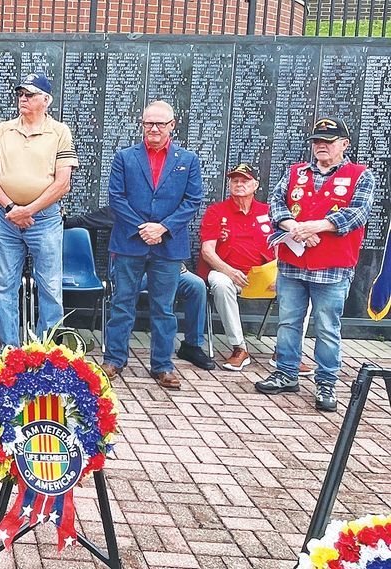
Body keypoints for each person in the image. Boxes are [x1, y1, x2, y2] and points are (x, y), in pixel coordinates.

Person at [256, 117, 375, 411]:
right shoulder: (295, 172)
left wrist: (315, 227)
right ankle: (285, 372)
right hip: (293, 264)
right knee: (288, 322)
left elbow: (357, 214)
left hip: (332, 269)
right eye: (317, 142)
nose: (321, 146)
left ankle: (326, 383)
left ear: (344, 145)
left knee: (326, 327)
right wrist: (294, 227)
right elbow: (276, 205)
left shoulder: (361, 175)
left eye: (329, 141)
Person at [102, 100, 203, 390]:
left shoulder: (188, 160)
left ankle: (162, 365)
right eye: (149, 123)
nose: (154, 128)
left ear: (173, 125)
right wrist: (142, 228)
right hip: (129, 243)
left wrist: (163, 227)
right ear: (142, 125)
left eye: (160, 123)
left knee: (164, 308)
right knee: (122, 304)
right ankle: (114, 360)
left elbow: (192, 201)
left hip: (168, 245)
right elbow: (116, 197)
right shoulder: (124, 157)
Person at [0, 72, 77, 348]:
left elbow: (63, 184)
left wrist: (29, 210)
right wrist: (12, 208)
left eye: (30, 94)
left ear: (46, 100)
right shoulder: (3, 129)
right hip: (7, 219)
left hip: (45, 220)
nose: (23, 99)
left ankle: (46, 352)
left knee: (50, 288)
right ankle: (9, 350)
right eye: (21, 94)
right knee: (4, 286)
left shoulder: (59, 131)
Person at [65, 206, 215, 371]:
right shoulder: (120, 210)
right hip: (132, 269)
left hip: (169, 267)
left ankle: (192, 345)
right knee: (126, 296)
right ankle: (117, 356)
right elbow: (82, 221)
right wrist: (56, 219)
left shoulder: (170, 211)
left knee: (197, 286)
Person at [198, 163, 276, 371]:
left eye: (245, 180)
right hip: (228, 273)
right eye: (235, 181)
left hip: (263, 277)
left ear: (256, 185)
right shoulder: (216, 211)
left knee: (299, 285)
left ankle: (287, 350)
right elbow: (207, 251)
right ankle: (239, 348)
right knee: (220, 282)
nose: (239, 184)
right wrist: (229, 271)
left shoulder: (269, 212)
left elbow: (282, 247)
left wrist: (281, 275)